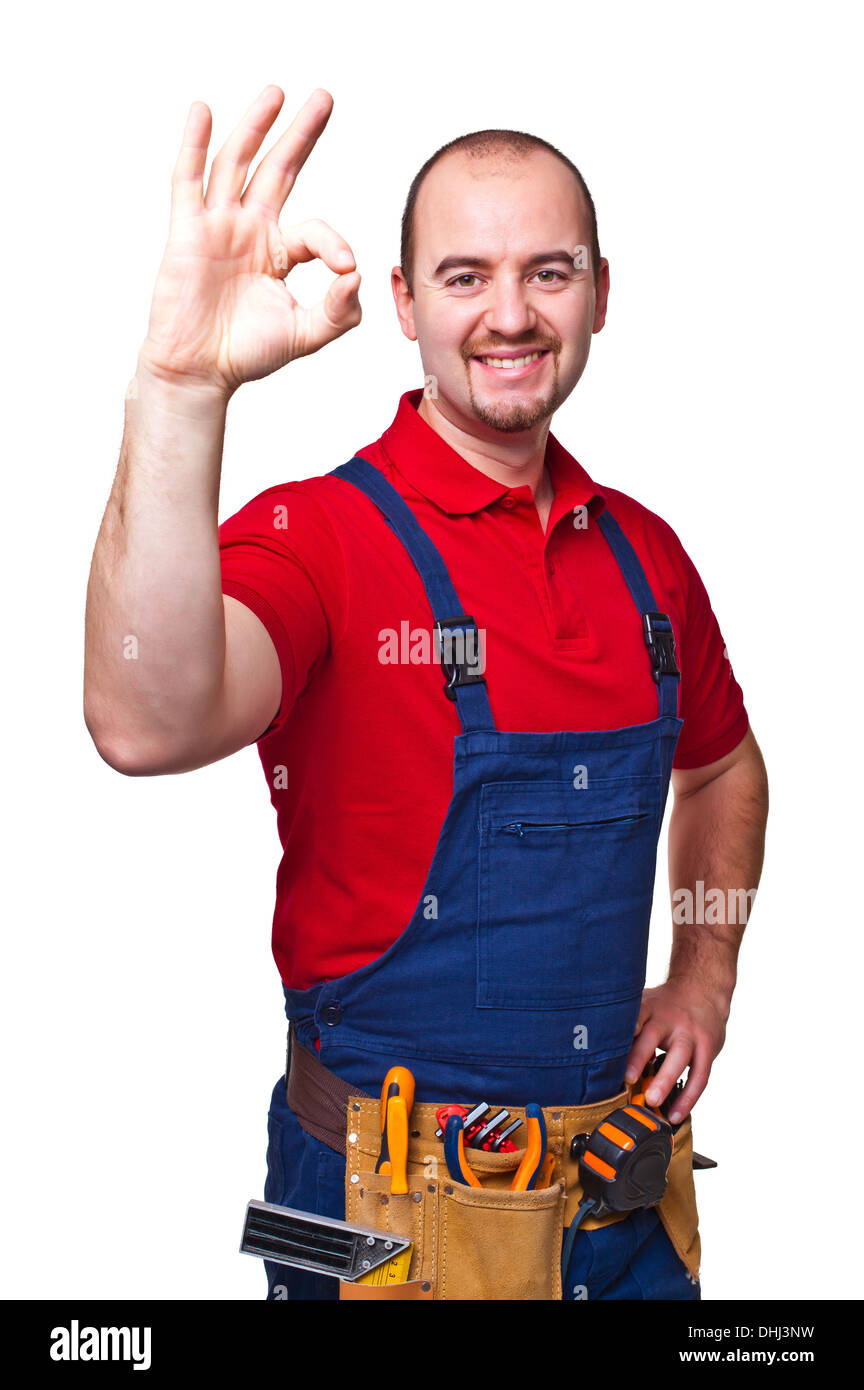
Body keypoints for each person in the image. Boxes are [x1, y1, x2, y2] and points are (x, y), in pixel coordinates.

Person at [84, 85, 769, 1301]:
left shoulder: (646, 557)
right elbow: (141, 720)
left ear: (600, 291)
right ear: (403, 303)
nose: (510, 315)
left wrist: (706, 965)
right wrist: (181, 386)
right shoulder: (319, 538)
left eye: (548, 272)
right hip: (362, 1217)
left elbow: (720, 764)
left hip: (619, 1210)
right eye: (464, 277)